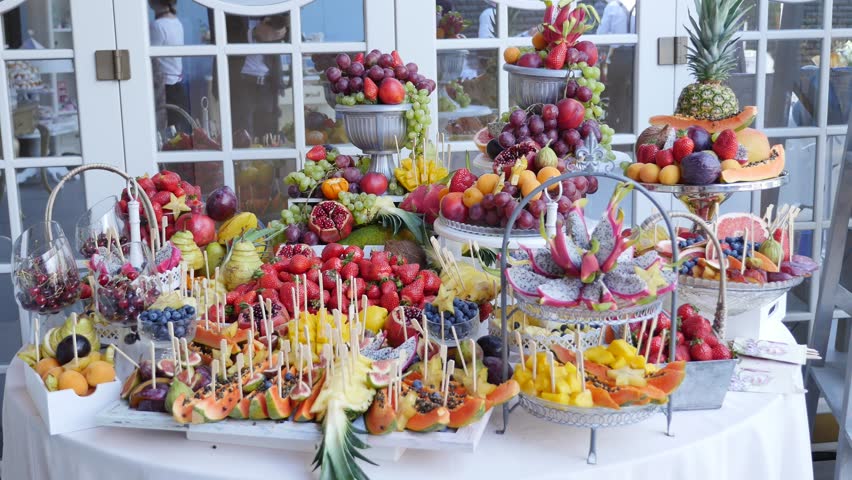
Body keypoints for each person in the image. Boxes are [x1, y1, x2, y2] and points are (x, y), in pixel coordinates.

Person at [228, 16, 288, 145]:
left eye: (276, 35)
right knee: (243, 129)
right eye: (271, 34)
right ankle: (243, 162)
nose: (272, 38)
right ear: (264, 22)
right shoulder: (238, 34)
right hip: (243, 85)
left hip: (266, 86)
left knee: (267, 130)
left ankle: (267, 162)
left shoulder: (276, 34)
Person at [149, 0, 189, 135]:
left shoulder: (158, 26)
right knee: (176, 133)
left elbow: (150, 59)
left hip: (164, 88)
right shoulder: (176, 23)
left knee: (163, 132)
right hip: (176, 85)